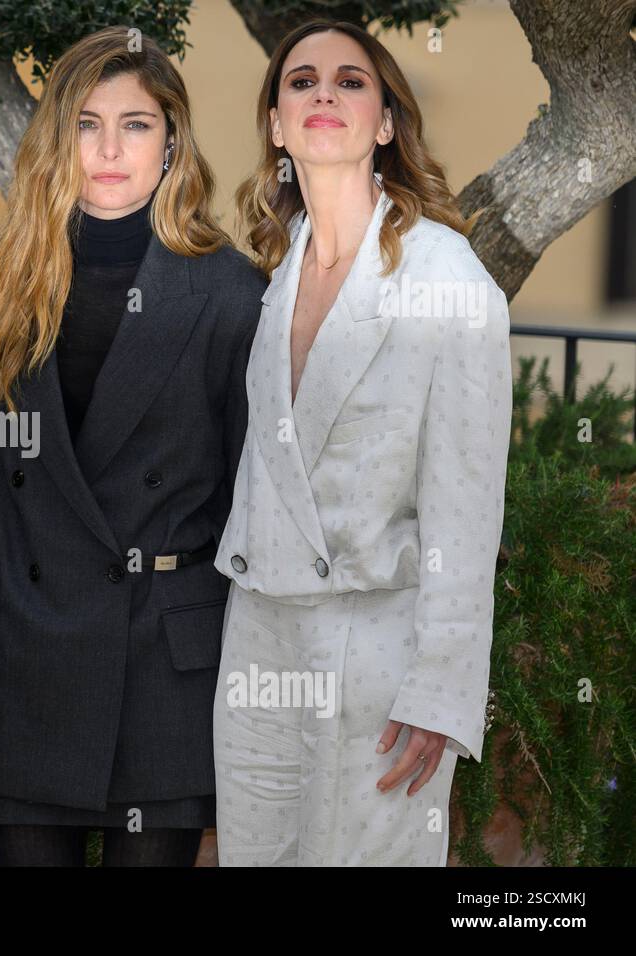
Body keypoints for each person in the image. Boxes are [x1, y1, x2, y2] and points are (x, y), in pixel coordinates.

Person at [0, 26, 265, 867]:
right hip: (25, 655)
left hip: (161, 661)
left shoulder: (231, 294)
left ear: (171, 142)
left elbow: (248, 498)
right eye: (87, 124)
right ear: (58, 139)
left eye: (135, 124)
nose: (110, 148)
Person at [213, 19, 512, 866]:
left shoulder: (448, 279)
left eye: (350, 81)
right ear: (276, 123)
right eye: (301, 81)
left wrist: (444, 690)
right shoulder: (275, 274)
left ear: (385, 123)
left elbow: (467, 502)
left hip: (381, 644)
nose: (324, 94)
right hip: (260, 633)